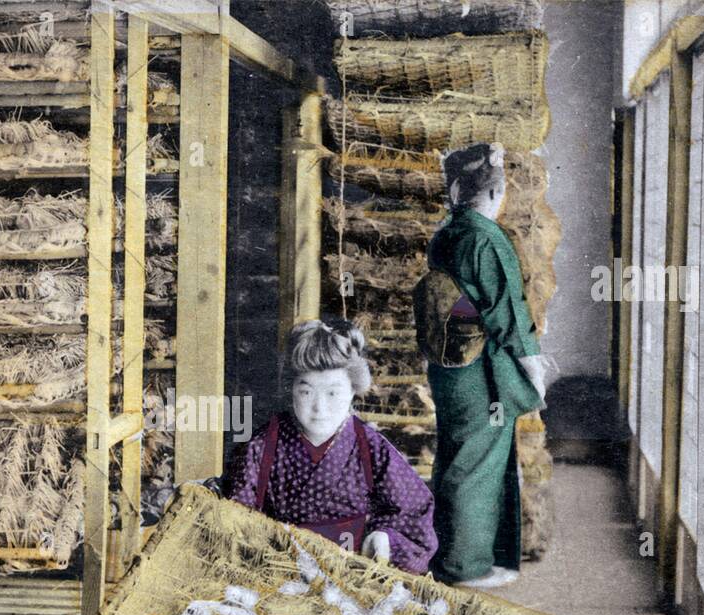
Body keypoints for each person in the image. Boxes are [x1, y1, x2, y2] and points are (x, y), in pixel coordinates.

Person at [425, 142, 552, 589]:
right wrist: (533, 367)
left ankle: (450, 553)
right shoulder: (484, 236)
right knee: (475, 465)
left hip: (450, 366)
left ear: (456, 191)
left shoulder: (447, 233)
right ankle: (463, 565)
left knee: (457, 458)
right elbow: (506, 313)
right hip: (480, 371)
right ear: (496, 193)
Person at [225, 318, 437, 576]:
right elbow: (236, 514)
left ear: (352, 391)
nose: (319, 407)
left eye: (333, 393)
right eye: (306, 392)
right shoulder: (262, 446)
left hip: (353, 576)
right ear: (291, 389)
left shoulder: (372, 449)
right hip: (278, 571)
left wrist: (384, 538)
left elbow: (413, 512)